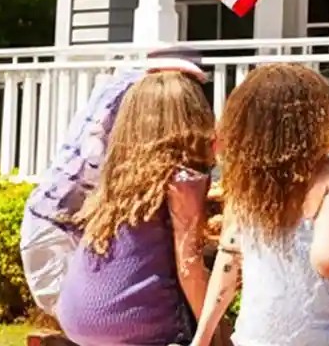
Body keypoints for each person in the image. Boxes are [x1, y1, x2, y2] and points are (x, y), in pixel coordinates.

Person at [189, 63, 329, 346]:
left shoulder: (245, 183)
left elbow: (228, 262)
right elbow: (328, 257)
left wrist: (201, 340)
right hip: (325, 338)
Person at [20, 47, 206, 316]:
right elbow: (101, 159)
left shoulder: (120, 88)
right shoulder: (133, 97)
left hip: (56, 224)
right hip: (60, 232)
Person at [53, 70, 220, 346]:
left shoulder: (119, 176)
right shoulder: (182, 180)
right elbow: (189, 267)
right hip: (137, 326)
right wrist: (219, 335)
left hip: (76, 317)